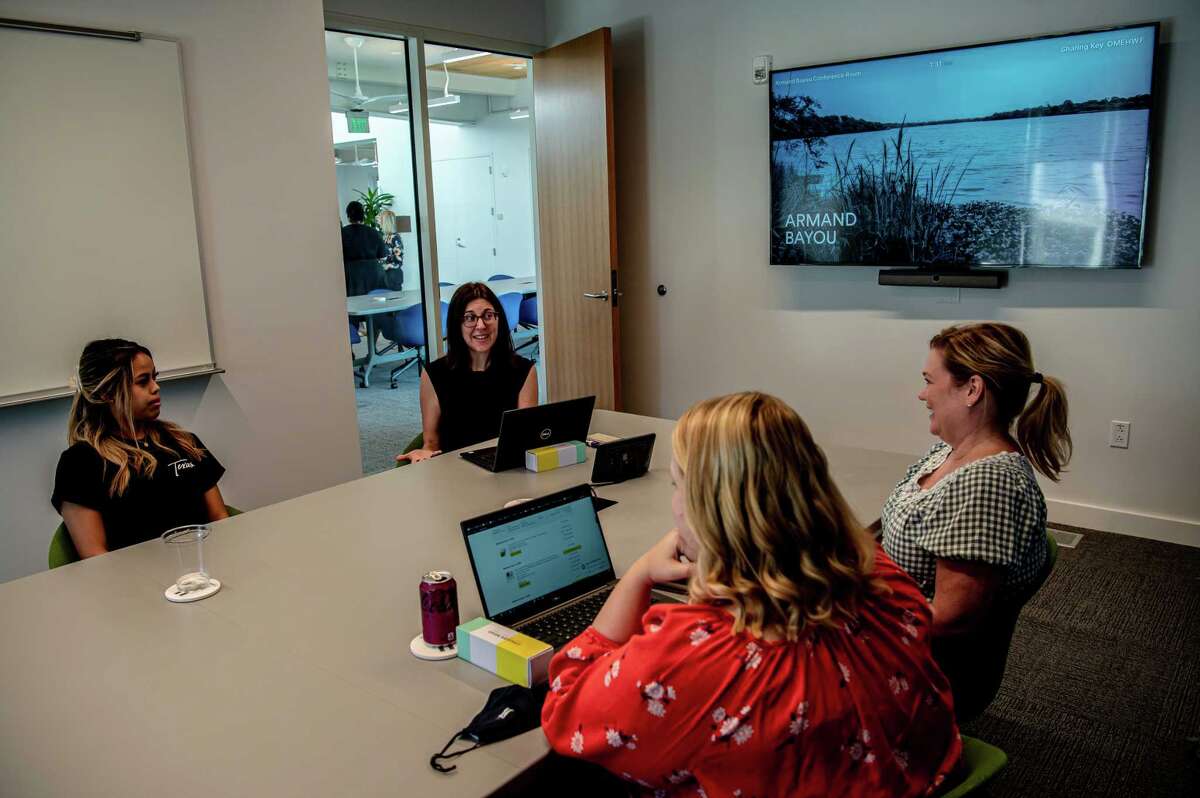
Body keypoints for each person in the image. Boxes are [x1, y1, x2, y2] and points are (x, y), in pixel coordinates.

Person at [541, 392, 961, 797]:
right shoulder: (883, 578)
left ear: (708, 508)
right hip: (901, 775)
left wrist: (637, 576)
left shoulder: (699, 657)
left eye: (676, 486)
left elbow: (568, 708)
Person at [879, 322, 1071, 720]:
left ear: (972, 389)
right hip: (893, 632)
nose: (922, 393)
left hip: (918, 674)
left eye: (930, 381)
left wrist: (844, 610)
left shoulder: (988, 483)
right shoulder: (948, 453)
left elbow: (950, 620)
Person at [51, 339, 229, 558]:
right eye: (143, 381)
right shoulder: (80, 463)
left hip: (201, 570)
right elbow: (95, 557)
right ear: (107, 393)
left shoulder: (184, 443)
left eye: (154, 377)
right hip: (134, 584)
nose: (156, 387)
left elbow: (220, 518)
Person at [396, 282, 537, 463]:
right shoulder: (435, 374)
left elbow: (525, 438)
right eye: (470, 318)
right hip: (454, 475)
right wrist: (424, 453)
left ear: (499, 320)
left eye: (488, 316)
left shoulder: (524, 371)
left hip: (505, 471)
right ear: (457, 324)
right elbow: (431, 443)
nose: (480, 325)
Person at [341, 200, 389, 296]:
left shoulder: (342, 233)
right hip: (374, 272)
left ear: (348, 216)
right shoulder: (374, 232)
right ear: (363, 215)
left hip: (351, 274)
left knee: (355, 305)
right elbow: (382, 255)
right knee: (377, 304)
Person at [378, 208, 405, 290]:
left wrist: (388, 265)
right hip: (385, 274)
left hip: (393, 275)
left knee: (394, 301)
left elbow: (399, 259)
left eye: (380, 220)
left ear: (385, 222)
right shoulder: (385, 237)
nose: (379, 222)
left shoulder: (395, 237)